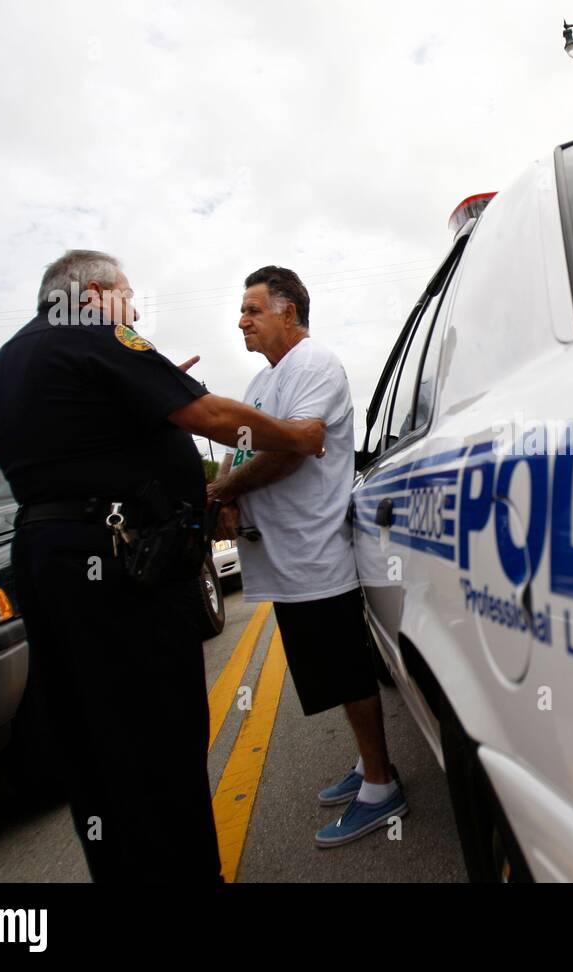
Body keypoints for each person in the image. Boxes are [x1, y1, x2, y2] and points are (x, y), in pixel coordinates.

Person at [0, 249, 324, 882]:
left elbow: (81, 442)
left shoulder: (7, 364)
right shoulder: (96, 330)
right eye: (128, 296)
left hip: (47, 560)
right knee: (159, 732)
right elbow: (214, 418)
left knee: (94, 743)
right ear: (94, 293)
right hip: (117, 567)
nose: (133, 311)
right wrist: (298, 437)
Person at [208, 265, 404, 848]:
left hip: (316, 556)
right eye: (242, 312)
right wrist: (225, 481)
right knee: (334, 678)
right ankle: (369, 763)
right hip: (286, 561)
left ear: (288, 312)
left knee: (347, 671)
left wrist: (226, 491)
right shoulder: (262, 383)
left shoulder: (313, 364)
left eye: (253, 310)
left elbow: (296, 448)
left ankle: (381, 784)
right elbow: (240, 447)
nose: (242, 321)